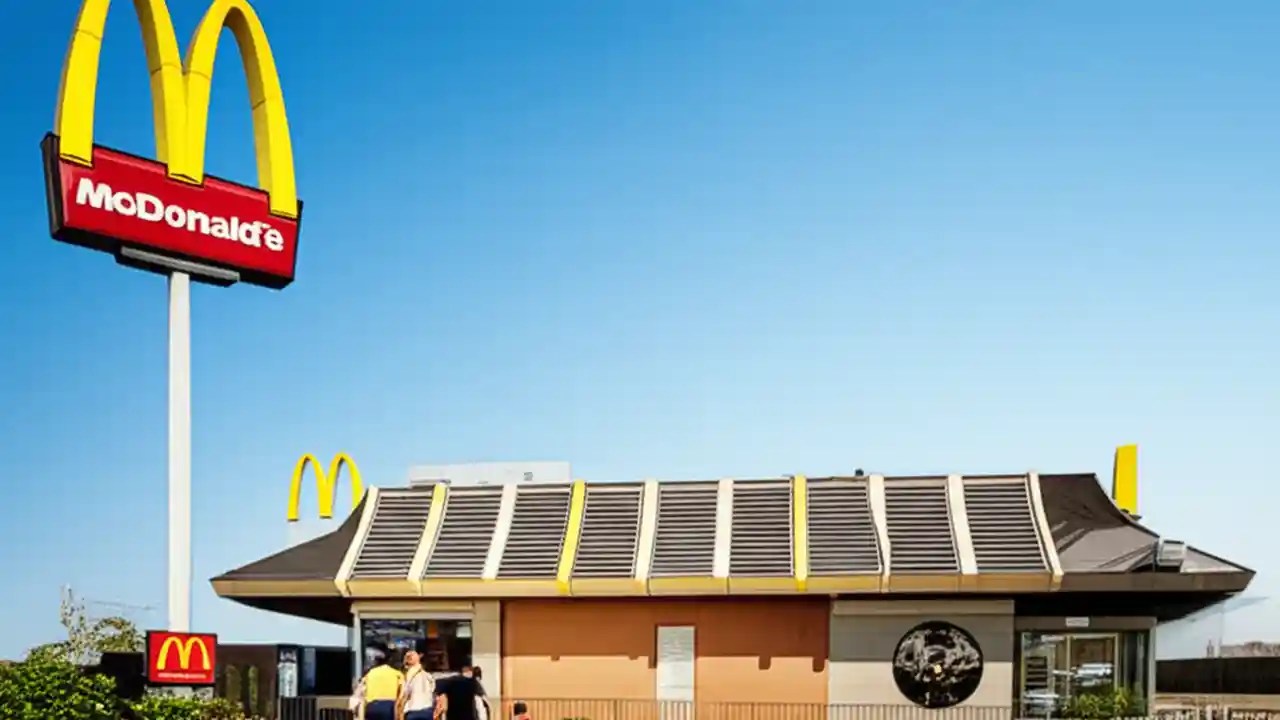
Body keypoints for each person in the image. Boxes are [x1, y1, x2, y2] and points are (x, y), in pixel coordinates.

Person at [360, 643, 404, 720]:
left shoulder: (370, 673)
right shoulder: (397, 674)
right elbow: (402, 695)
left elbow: (363, 692)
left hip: (372, 706)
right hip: (389, 707)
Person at [400, 650, 435, 720]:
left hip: (413, 711)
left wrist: (400, 712)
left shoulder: (409, 674)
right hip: (428, 711)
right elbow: (433, 691)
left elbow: (405, 695)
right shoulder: (429, 676)